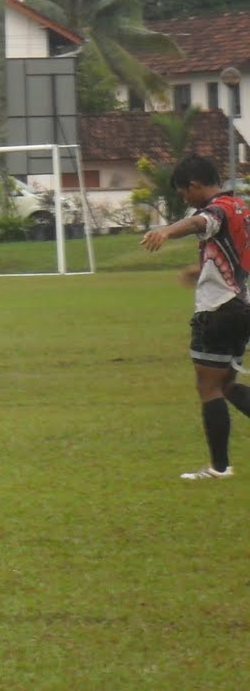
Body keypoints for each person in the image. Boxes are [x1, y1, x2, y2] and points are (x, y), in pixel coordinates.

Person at [141, 154, 250, 479]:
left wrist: (166, 232)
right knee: (227, 384)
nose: (184, 199)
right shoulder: (241, 208)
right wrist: (202, 270)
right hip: (243, 306)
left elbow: (200, 222)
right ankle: (220, 465)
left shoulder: (215, 209)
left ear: (195, 185)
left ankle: (219, 467)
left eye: (183, 192)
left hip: (219, 309)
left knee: (208, 387)